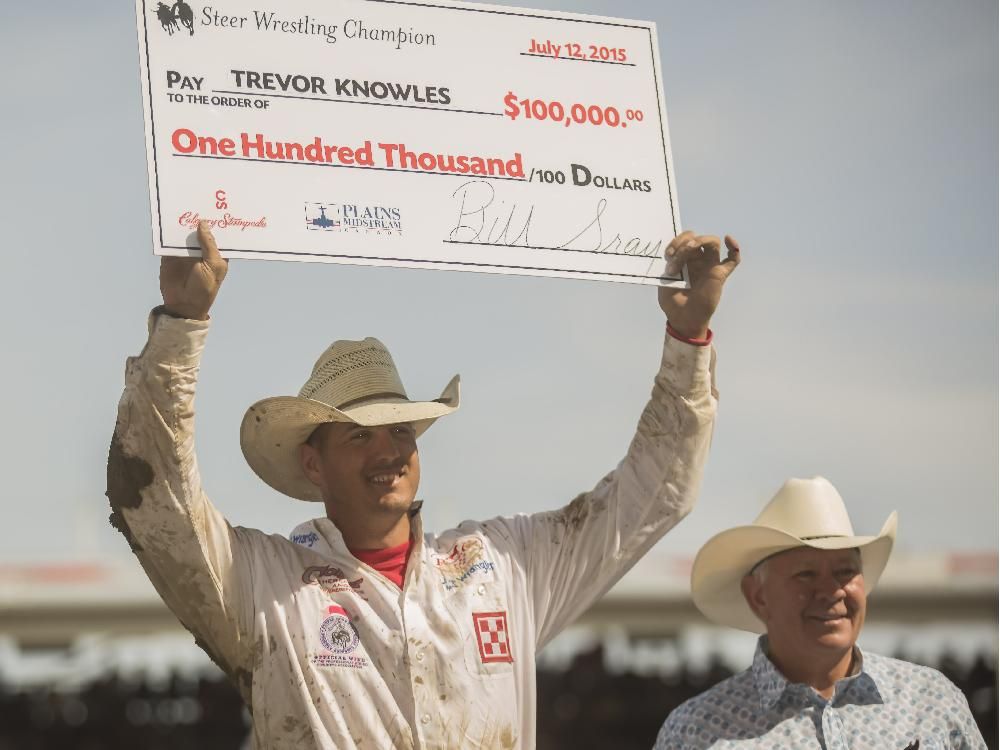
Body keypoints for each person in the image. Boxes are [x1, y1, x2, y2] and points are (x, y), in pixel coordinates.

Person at [107, 222, 740, 749]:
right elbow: (159, 505)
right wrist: (182, 327)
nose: (390, 450)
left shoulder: (503, 566)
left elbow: (653, 495)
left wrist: (687, 340)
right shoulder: (267, 587)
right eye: (359, 435)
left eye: (403, 432)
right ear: (312, 465)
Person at [653, 476, 987, 749]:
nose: (831, 591)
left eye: (845, 571)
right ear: (758, 596)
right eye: (806, 574)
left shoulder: (931, 703)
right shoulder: (695, 734)